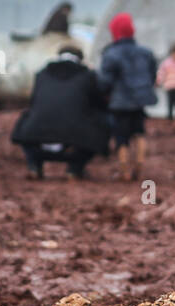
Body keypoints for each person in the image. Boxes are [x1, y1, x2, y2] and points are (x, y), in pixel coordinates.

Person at [10, 43, 110, 180]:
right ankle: (75, 169)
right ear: (80, 59)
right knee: (102, 122)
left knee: (27, 120)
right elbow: (99, 104)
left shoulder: (42, 74)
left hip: (36, 141)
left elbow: (33, 102)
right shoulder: (88, 76)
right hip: (74, 145)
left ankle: (34, 165)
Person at [98, 12, 157, 181]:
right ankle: (139, 164)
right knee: (139, 132)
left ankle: (124, 171)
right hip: (139, 100)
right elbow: (151, 76)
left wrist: (104, 95)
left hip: (119, 103)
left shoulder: (110, 54)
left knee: (121, 137)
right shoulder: (145, 52)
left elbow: (105, 81)